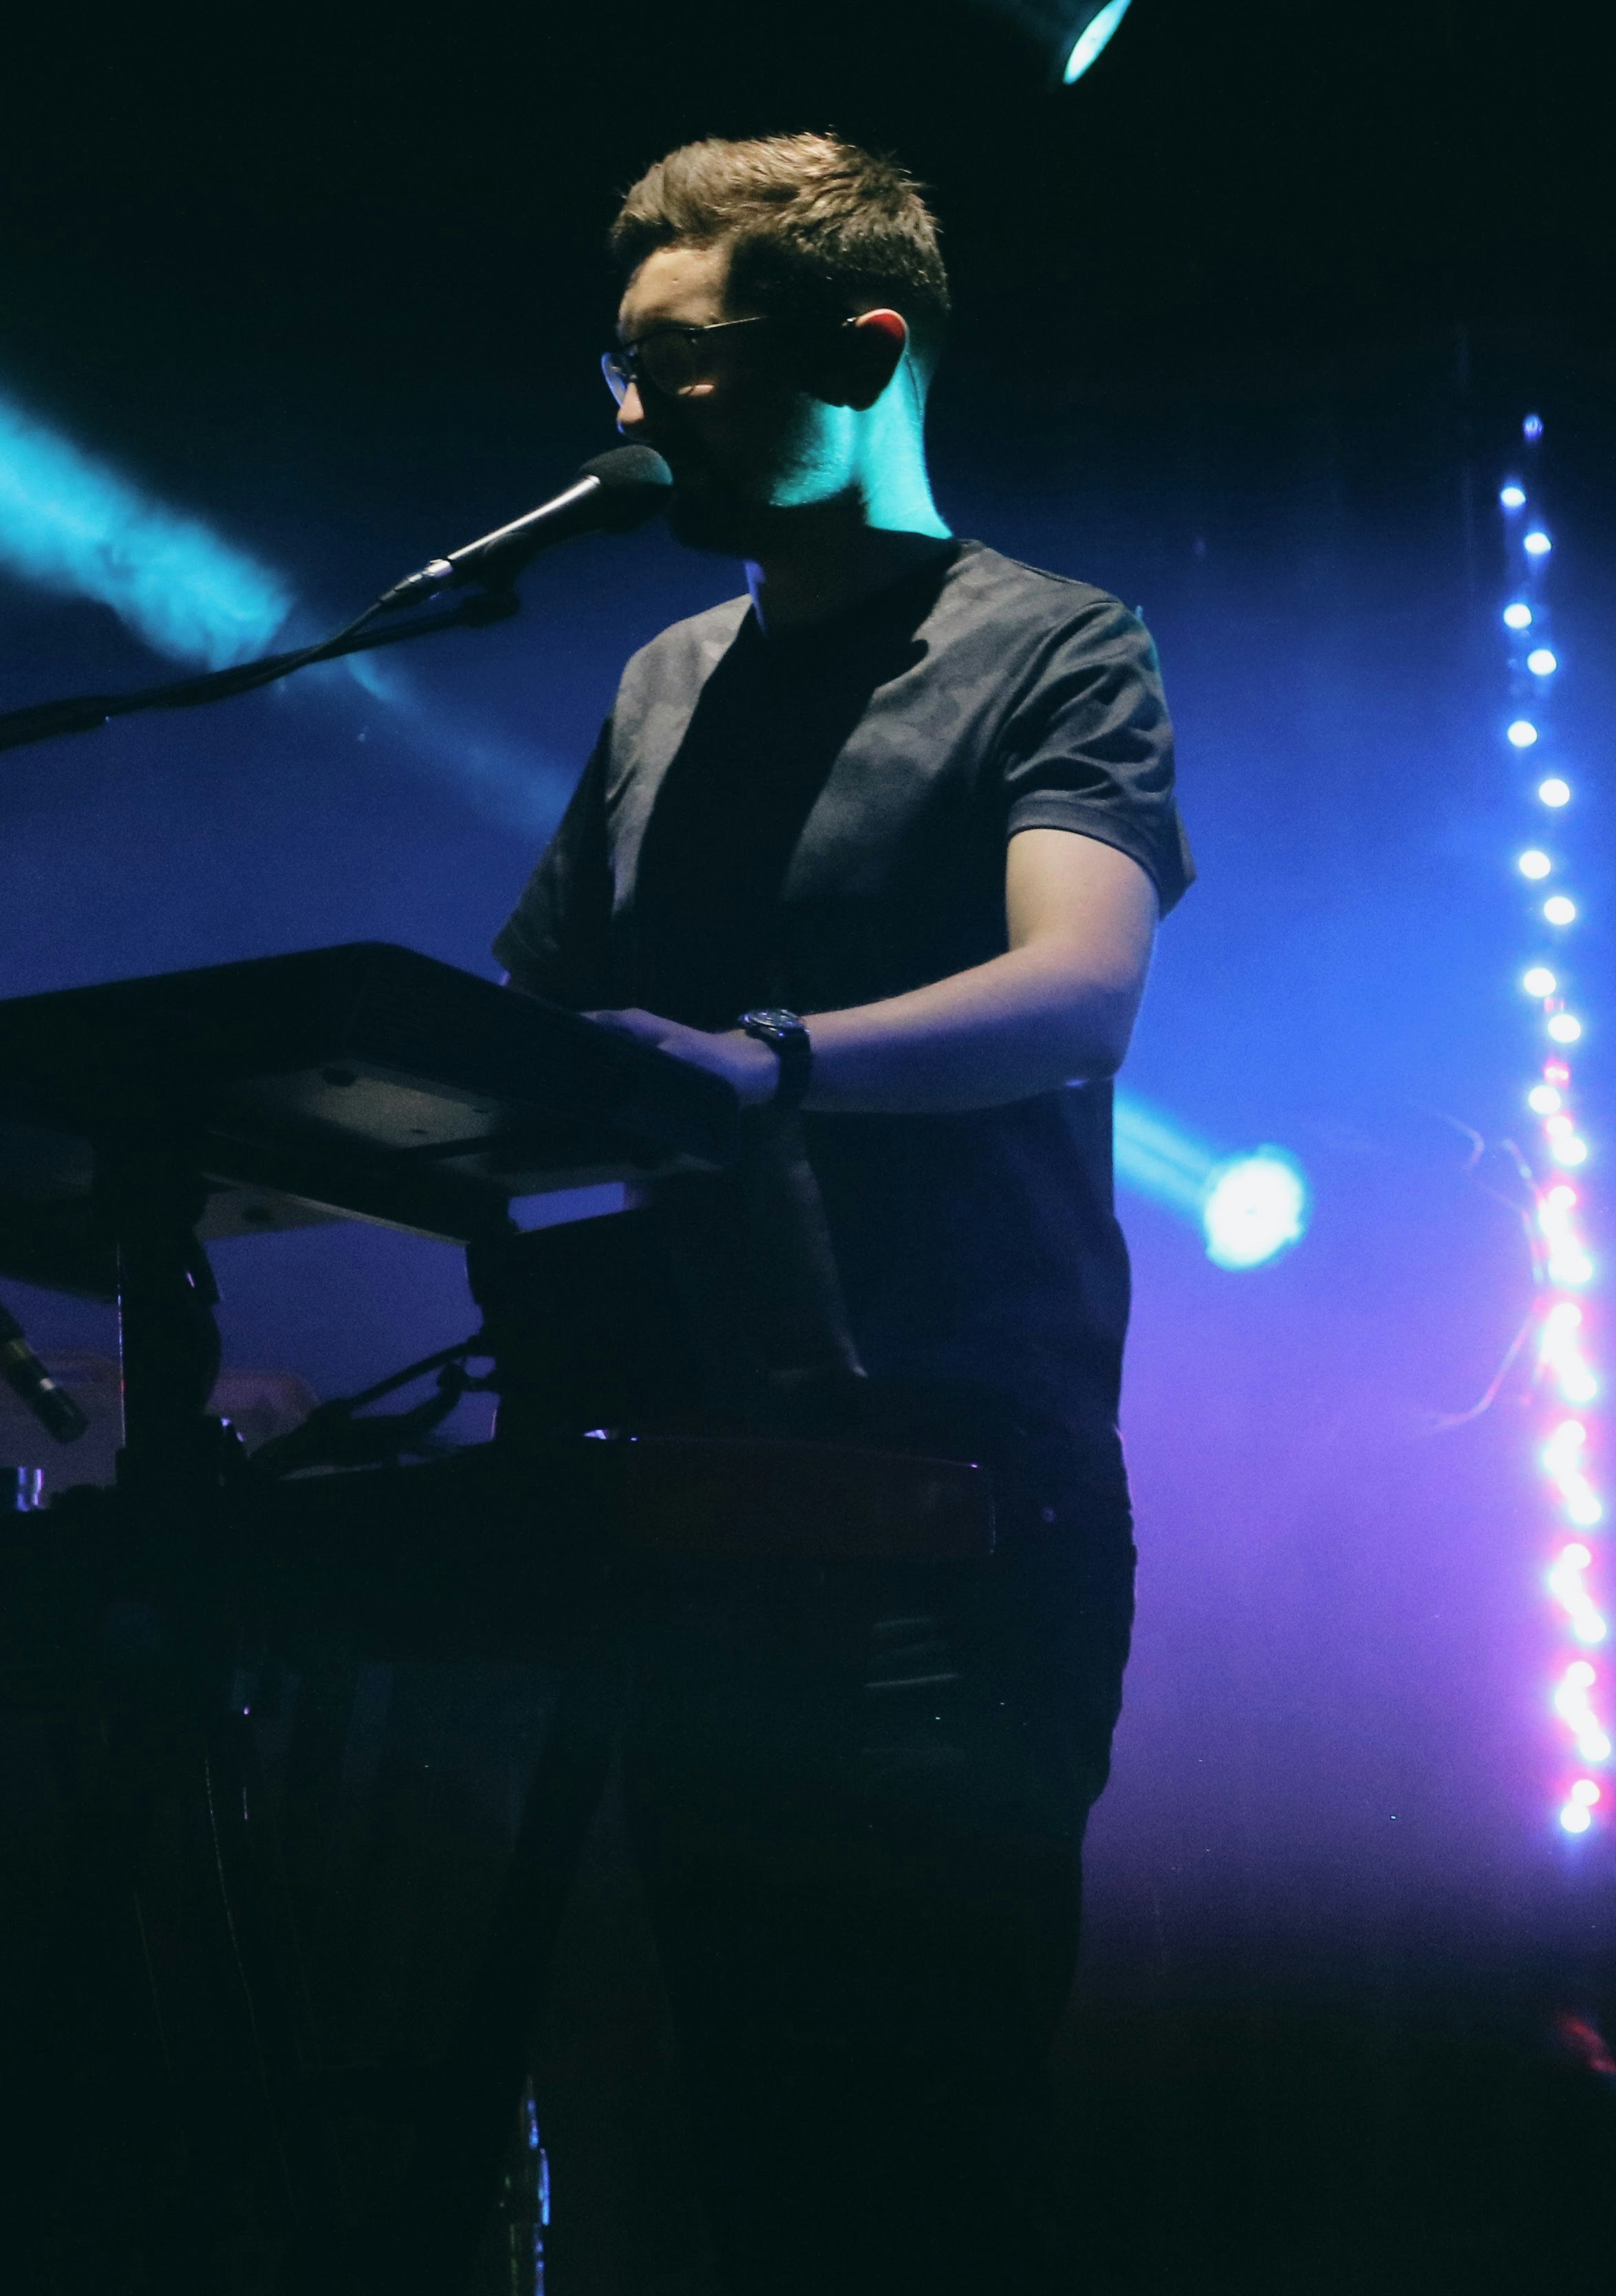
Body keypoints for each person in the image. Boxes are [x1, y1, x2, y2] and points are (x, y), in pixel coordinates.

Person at [492, 132, 1189, 2283]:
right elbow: (538, 1026)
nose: (625, 413)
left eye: (672, 367)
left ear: (864, 352)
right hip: (697, 1510)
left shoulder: (1052, 647)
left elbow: (1078, 993)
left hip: (952, 1498)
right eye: (614, 368)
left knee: (926, 2147)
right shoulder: (658, 687)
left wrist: (774, 1061)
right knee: (753, 2155)